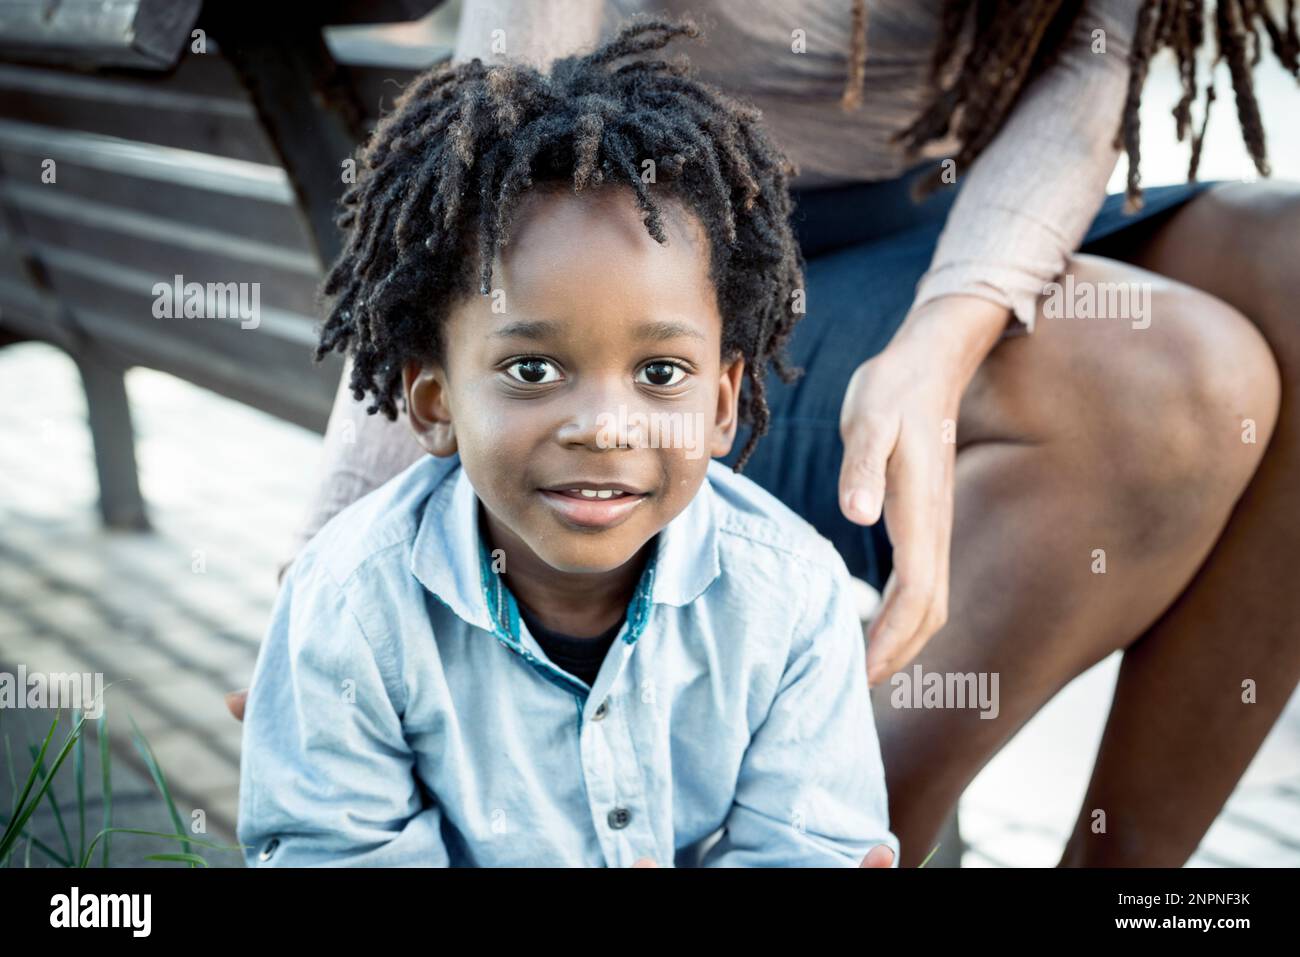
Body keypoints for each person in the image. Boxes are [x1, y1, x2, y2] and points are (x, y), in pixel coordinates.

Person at [239, 0, 1300, 867]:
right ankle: (871, 824)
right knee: (1177, 380)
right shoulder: (368, 591)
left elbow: (1083, 67)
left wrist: (941, 347)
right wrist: (336, 541)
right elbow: (498, 122)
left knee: (1289, 260)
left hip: (944, 231)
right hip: (649, 256)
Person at [236, 22, 899, 867]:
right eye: (533, 368)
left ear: (721, 402)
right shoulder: (351, 609)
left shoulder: (794, 599)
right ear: (435, 402)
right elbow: (333, 851)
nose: (605, 426)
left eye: (660, 372)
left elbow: (809, 847)